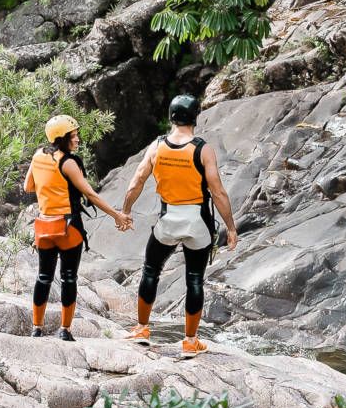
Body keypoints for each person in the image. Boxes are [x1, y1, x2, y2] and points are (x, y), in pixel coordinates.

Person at [120, 94, 238, 354]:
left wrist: (126, 211)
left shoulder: (157, 146)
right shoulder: (202, 149)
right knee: (194, 281)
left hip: (168, 220)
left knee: (150, 272)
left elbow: (136, 181)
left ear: (171, 116)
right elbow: (218, 192)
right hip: (198, 222)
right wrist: (230, 227)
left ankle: (141, 329)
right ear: (195, 117)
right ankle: (190, 341)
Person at [23, 114, 130, 341]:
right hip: (68, 228)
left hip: (44, 227)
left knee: (43, 277)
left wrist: (48, 188)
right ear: (62, 138)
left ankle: (37, 328)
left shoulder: (38, 155)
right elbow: (90, 194)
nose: (78, 139)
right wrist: (117, 215)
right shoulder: (68, 162)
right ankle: (65, 330)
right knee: (69, 278)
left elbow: (28, 186)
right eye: (74, 135)